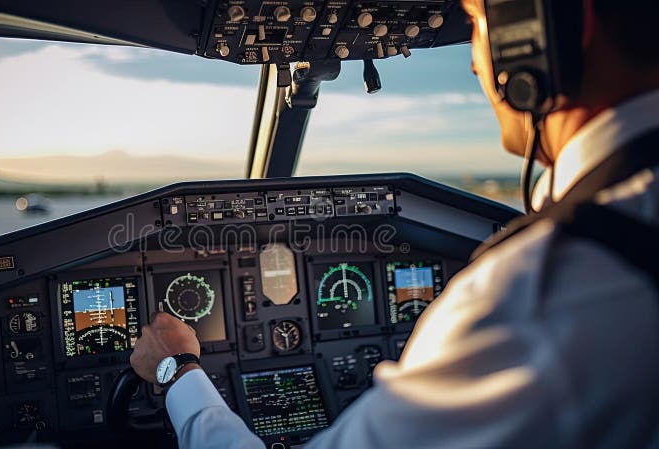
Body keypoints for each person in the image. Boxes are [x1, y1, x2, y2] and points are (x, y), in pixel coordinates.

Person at [129, 0, 659, 447]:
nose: (476, 64)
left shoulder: (538, 297)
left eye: (477, 24)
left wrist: (177, 371)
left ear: (551, 33)